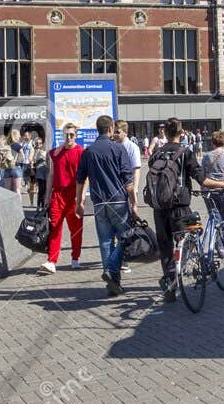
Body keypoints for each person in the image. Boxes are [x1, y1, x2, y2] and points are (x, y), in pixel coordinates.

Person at [146, 118, 204, 303]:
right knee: (186, 240)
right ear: (181, 132)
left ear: (166, 133)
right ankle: (180, 268)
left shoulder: (156, 154)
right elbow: (201, 178)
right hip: (180, 207)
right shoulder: (186, 152)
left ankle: (170, 282)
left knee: (165, 247)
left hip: (160, 208)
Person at [77, 115, 136, 297]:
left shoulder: (89, 151)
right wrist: (133, 201)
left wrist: (79, 202)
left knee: (105, 241)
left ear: (97, 129)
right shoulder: (118, 149)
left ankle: (112, 282)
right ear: (111, 128)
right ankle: (111, 272)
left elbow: (80, 179)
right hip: (118, 200)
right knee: (125, 238)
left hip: (99, 202)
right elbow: (128, 180)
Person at [38, 125, 85, 275]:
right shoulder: (55, 153)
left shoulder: (81, 152)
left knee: (76, 229)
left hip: (74, 195)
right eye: (66, 135)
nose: (69, 137)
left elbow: (85, 177)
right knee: (55, 228)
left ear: (76, 136)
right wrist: (47, 195)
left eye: (71, 135)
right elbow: (51, 175)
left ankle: (75, 258)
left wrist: (81, 196)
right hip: (57, 196)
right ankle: (51, 261)